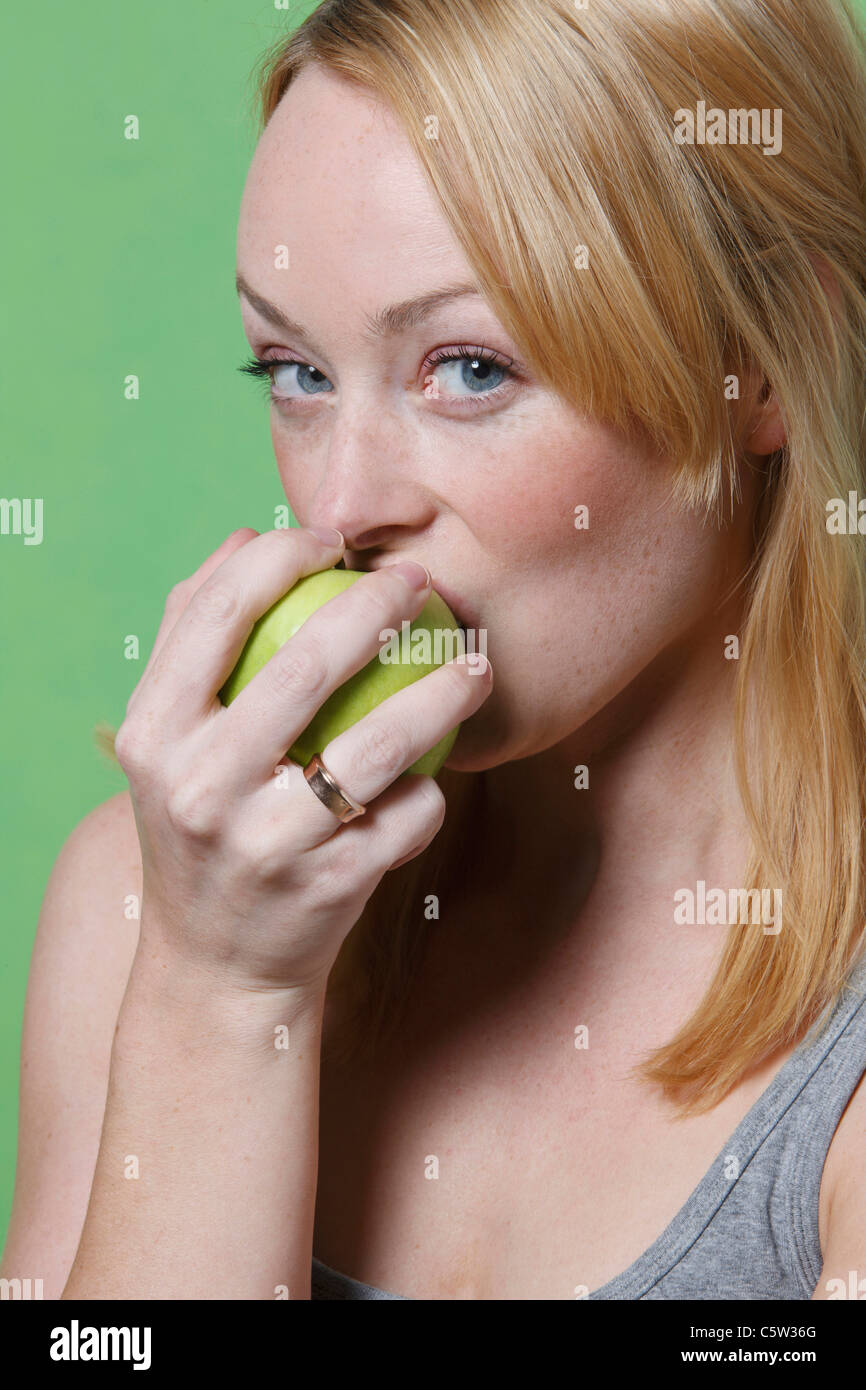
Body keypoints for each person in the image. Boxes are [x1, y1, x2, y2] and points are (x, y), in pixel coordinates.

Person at [3, 0, 866, 1300]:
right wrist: (218, 997)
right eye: (293, 370)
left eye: (466, 369)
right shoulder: (157, 900)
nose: (343, 501)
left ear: (757, 370)